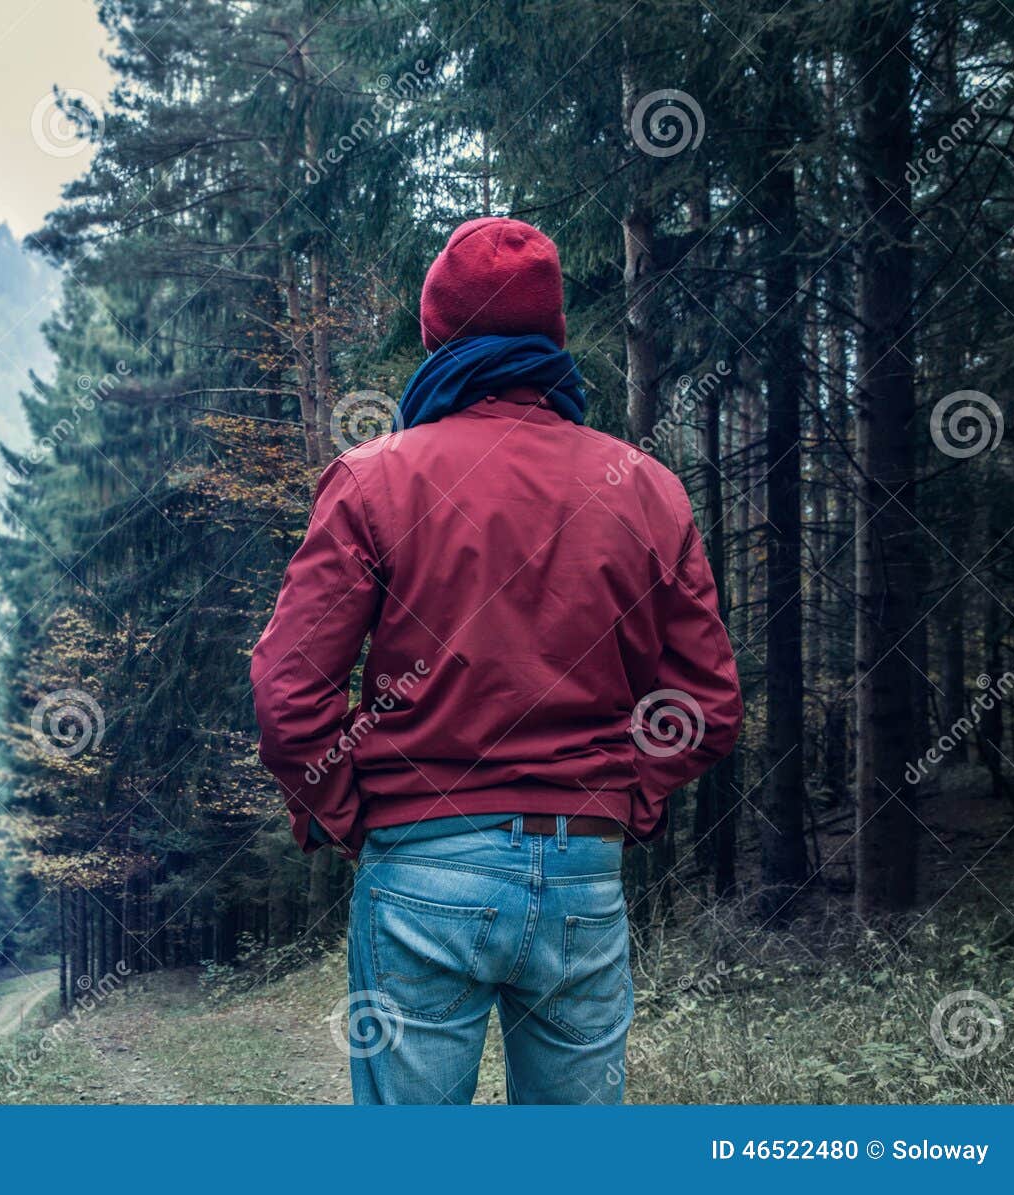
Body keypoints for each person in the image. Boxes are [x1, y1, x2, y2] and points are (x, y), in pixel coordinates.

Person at [249, 216, 743, 1105]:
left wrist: (352, 812)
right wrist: (626, 793)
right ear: (549, 339)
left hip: (422, 874)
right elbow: (707, 698)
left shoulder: (376, 479)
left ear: (438, 336)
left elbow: (289, 694)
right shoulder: (645, 488)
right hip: (583, 880)